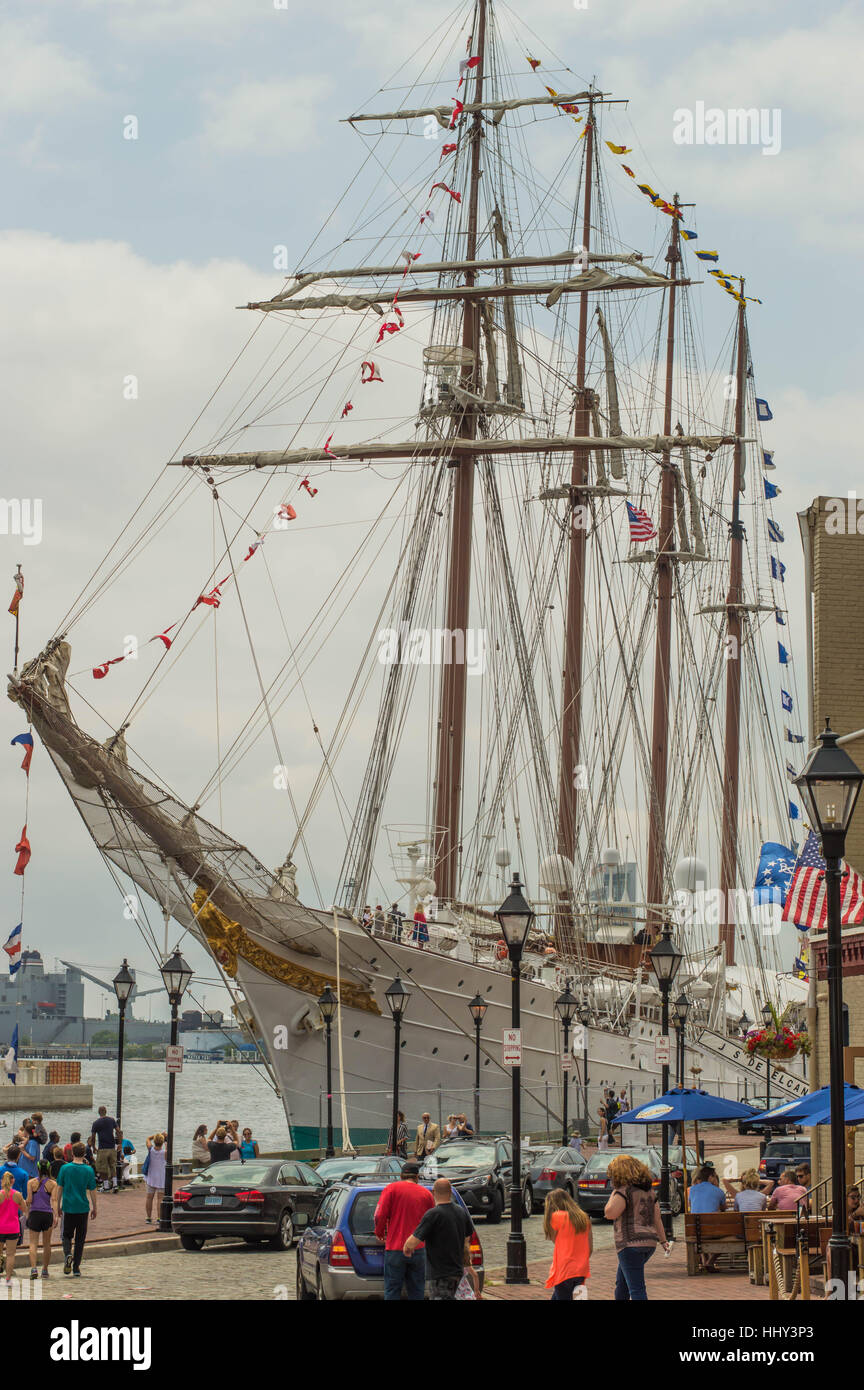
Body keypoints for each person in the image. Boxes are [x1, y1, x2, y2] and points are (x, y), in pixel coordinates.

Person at [604, 1153, 669, 1300]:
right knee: (622, 1284)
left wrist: (614, 1192)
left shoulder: (624, 1192)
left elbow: (610, 1213)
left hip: (630, 1244)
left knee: (637, 1289)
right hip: (649, 1243)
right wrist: (663, 1241)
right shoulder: (649, 1191)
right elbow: (657, 1218)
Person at [403, 1177, 476, 1301]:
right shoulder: (461, 1212)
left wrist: (407, 1249)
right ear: (450, 1192)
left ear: (433, 1193)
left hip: (440, 1272)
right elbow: (467, 1238)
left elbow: (412, 1242)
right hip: (457, 1270)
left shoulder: (433, 1214)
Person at [373, 1161, 434, 1301]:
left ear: (401, 1176)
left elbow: (379, 1215)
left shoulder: (391, 1189)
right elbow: (432, 1221)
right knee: (417, 1290)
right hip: (418, 1248)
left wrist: (379, 1232)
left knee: (392, 1290)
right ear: (417, 1177)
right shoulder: (426, 1194)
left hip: (395, 1247)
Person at [56, 1141, 97, 1277]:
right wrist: (94, 1207)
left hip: (68, 1206)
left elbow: (59, 1188)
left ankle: (68, 1254)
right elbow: (92, 1190)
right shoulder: (88, 1170)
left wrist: (57, 1205)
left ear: (72, 1153)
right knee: (80, 1239)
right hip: (83, 1208)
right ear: (84, 1153)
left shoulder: (65, 1168)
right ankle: (76, 1267)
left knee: (66, 1235)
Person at [543, 1187, 592, 1300]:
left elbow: (552, 1237)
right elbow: (590, 1248)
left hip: (564, 1269)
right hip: (581, 1269)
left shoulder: (556, 1217)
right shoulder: (584, 1217)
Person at [26, 1160, 57, 1280]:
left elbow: (29, 1200)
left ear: (37, 1169)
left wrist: (26, 1212)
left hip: (35, 1213)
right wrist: (56, 1216)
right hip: (47, 1214)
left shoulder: (31, 1183)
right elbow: (54, 1200)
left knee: (33, 1243)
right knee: (46, 1244)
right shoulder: (52, 1184)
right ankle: (45, 1270)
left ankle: (33, 1268)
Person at [0, 1172, 26, 1284]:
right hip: (13, 1228)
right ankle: (8, 1279)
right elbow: (24, 1209)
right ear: (13, 1181)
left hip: (0, 1227)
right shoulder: (17, 1195)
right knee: (10, 1254)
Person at [90, 1106, 119, 1193]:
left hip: (102, 1148)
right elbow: (119, 1131)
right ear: (106, 1111)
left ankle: (106, 1186)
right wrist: (120, 1144)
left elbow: (93, 1137)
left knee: (101, 1168)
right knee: (112, 1166)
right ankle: (115, 1184)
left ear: (99, 1112)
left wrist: (93, 1147)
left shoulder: (96, 1123)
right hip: (112, 1147)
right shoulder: (112, 1120)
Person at [143, 1134, 168, 1223]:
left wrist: (155, 1135)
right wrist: (166, 1140)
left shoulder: (151, 1150)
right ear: (162, 1142)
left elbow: (147, 1138)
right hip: (161, 1177)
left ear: (155, 1141)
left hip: (151, 1176)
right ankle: (159, 1218)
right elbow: (168, 1149)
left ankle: (148, 1218)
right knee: (160, 1199)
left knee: (149, 1197)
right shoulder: (165, 1153)